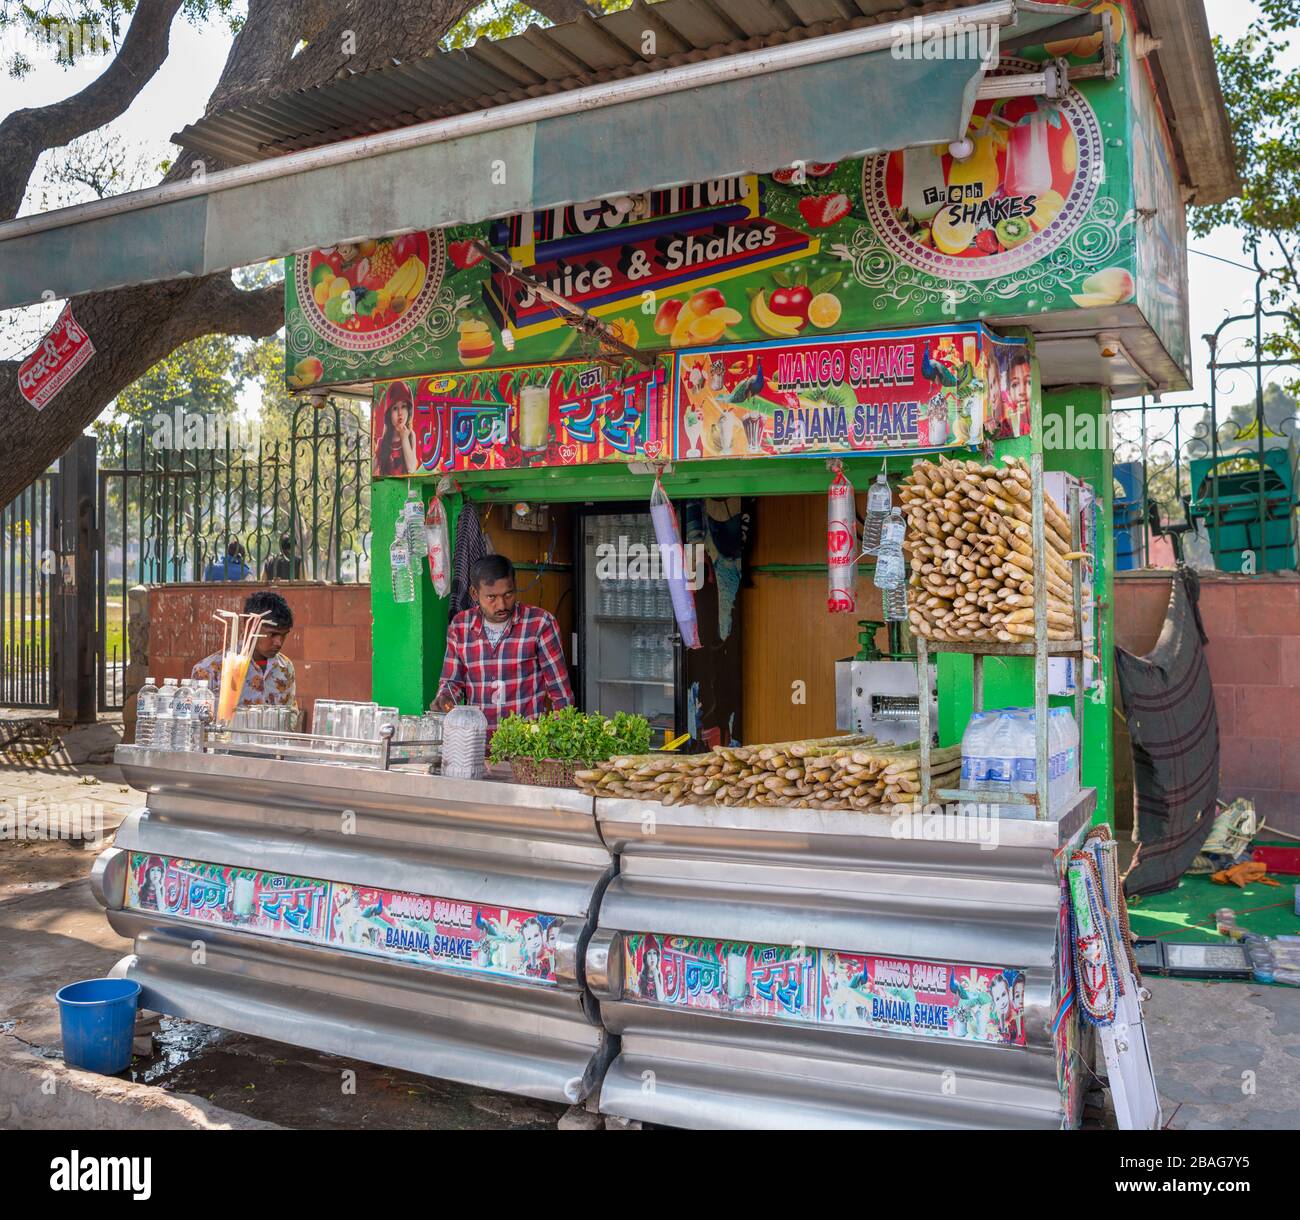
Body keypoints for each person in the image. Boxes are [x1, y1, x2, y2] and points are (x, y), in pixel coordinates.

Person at [433, 554, 573, 734]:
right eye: (491, 597)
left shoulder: (540, 623)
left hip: (525, 747)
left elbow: (560, 693)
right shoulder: (460, 626)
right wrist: (445, 697)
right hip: (476, 743)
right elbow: (452, 682)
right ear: (474, 594)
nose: (501, 605)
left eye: (508, 594)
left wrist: (559, 739)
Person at [191, 589, 297, 709]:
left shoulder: (285, 667)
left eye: (284, 635)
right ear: (250, 625)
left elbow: (290, 714)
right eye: (272, 634)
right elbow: (196, 722)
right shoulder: (209, 669)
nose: (279, 643)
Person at [375, 381, 418, 476]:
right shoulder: (382, 442)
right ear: (389, 414)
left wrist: (404, 438)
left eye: (403, 406)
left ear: (409, 410)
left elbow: (411, 468)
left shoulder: (410, 436)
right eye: (395, 408)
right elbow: (373, 471)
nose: (400, 413)